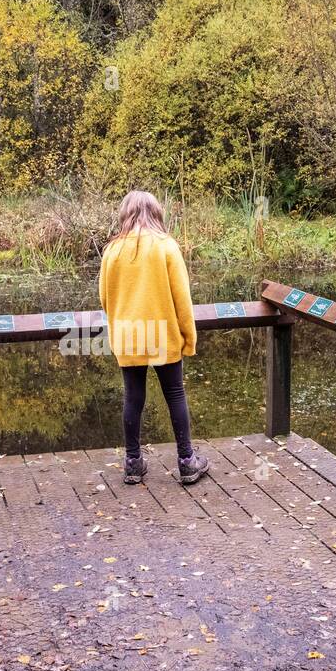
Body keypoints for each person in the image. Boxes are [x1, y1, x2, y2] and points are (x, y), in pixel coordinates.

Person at [98, 190, 209, 485]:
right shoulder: (166, 247)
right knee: (174, 393)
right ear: (157, 213)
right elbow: (182, 299)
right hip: (163, 333)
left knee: (133, 396)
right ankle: (187, 461)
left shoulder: (112, 250)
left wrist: (119, 325)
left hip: (128, 334)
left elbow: (104, 298)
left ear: (125, 214)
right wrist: (188, 337)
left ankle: (133, 463)